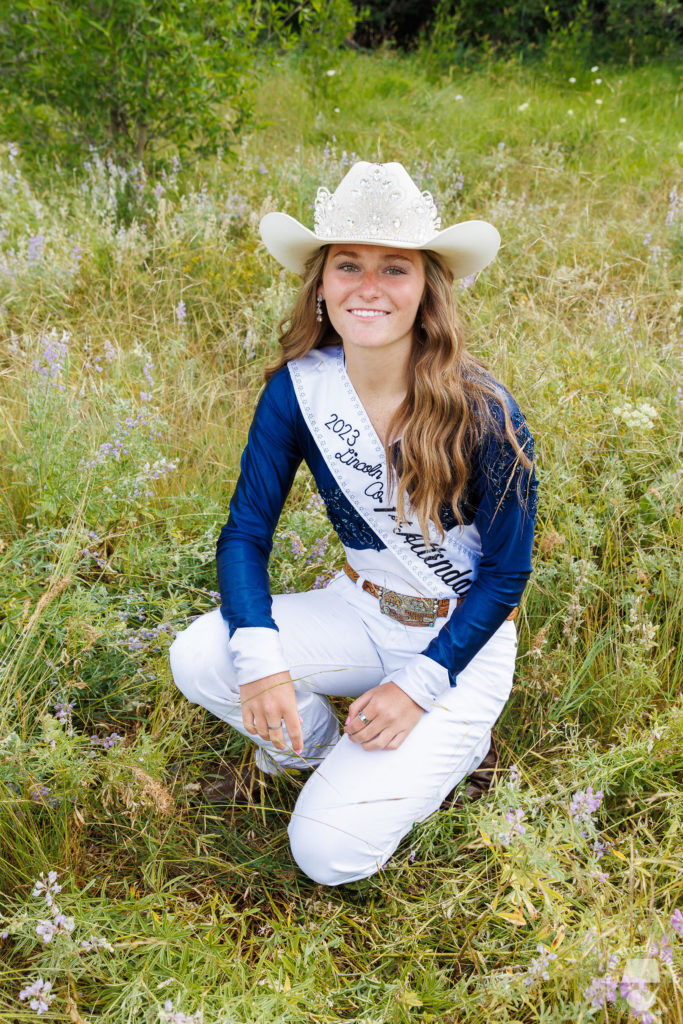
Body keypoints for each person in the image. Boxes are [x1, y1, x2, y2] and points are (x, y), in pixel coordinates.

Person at [170, 161, 537, 887]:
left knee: (327, 852)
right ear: (322, 284)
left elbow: (505, 575)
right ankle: (320, 747)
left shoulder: (487, 410)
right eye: (348, 265)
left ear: (427, 290)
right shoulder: (297, 391)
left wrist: (417, 689)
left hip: (459, 641)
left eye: (394, 268)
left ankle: (457, 745)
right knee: (203, 654)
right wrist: (263, 662)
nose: (368, 287)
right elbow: (246, 534)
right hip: (357, 610)